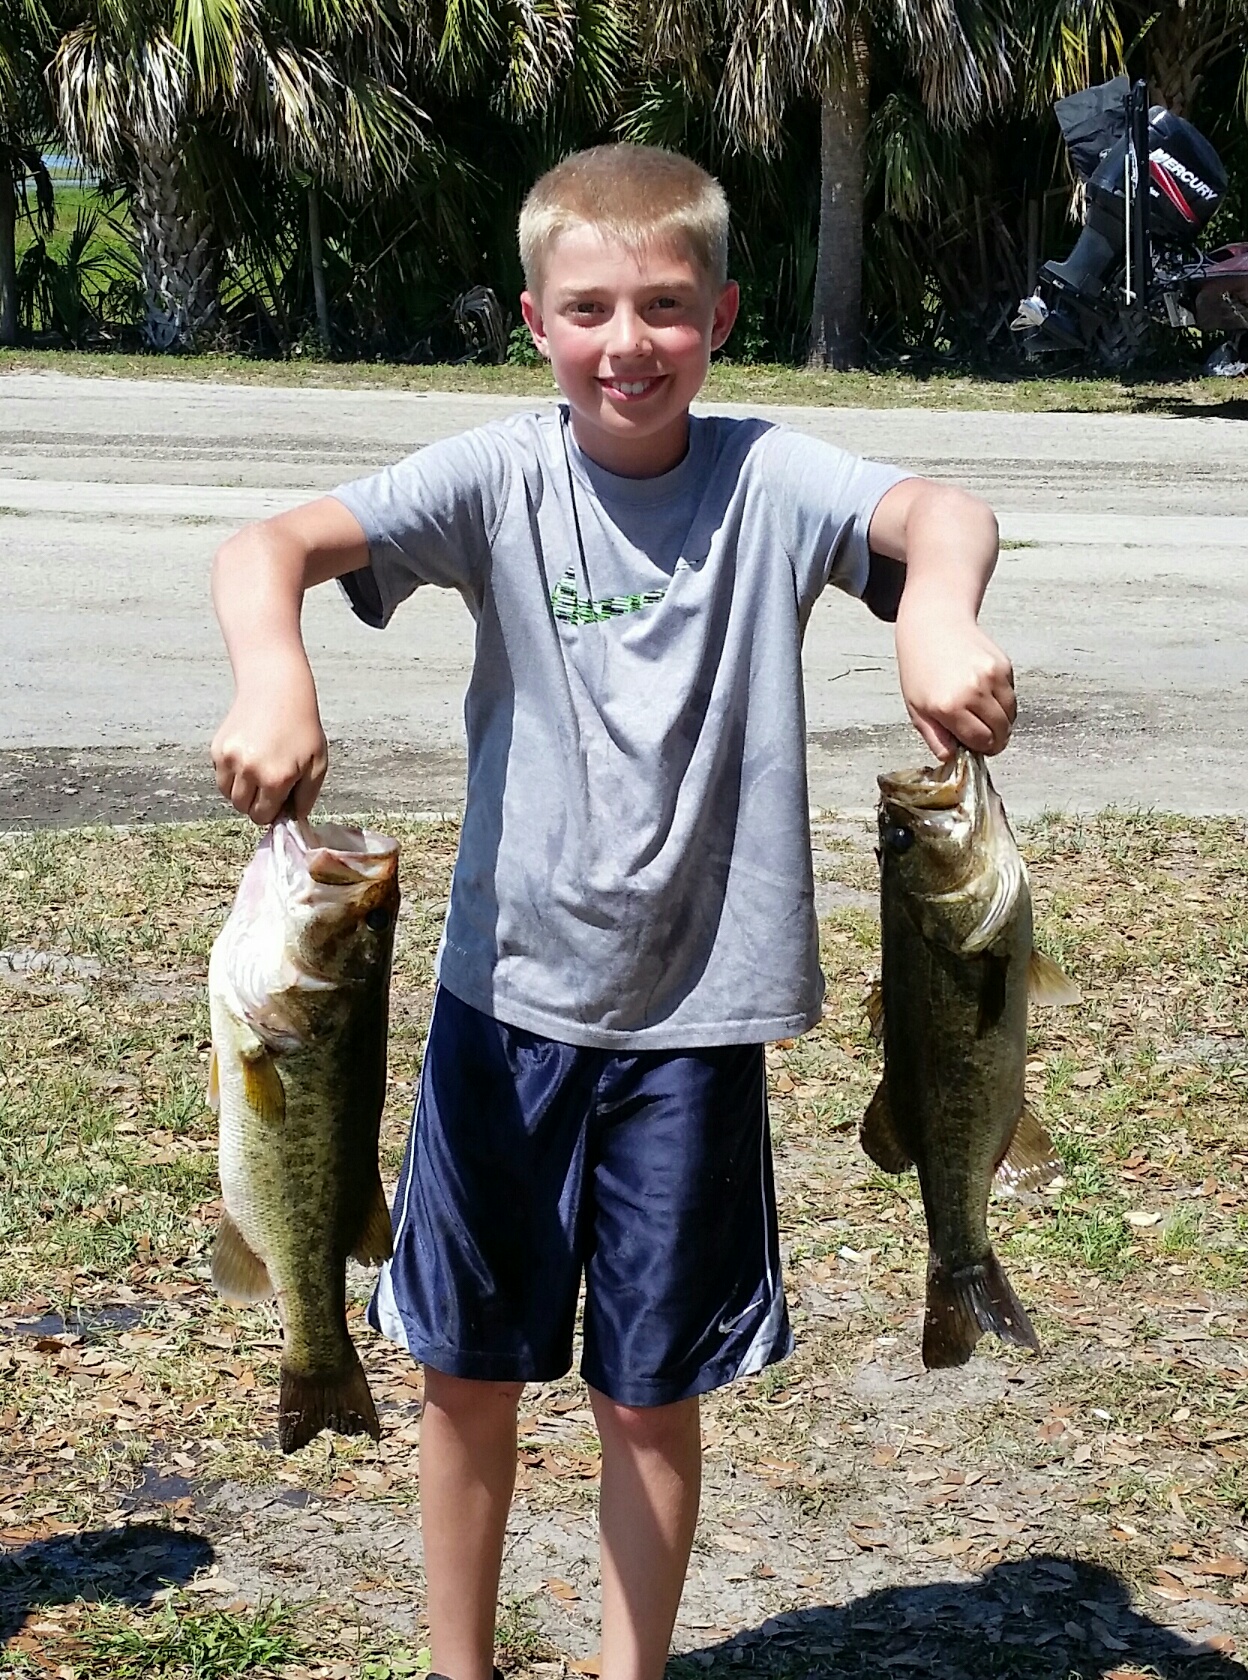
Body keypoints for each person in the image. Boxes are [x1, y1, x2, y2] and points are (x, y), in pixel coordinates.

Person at [211, 144, 1015, 1680]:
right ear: (535, 320)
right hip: (497, 1011)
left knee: (652, 1394)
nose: (626, 341)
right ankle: (462, 1667)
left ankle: (625, 1667)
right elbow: (269, 548)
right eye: (589, 309)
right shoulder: (497, 476)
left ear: (720, 311)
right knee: (465, 1373)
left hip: (696, 1030)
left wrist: (939, 612)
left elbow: (944, 511)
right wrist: (274, 666)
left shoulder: (772, 479)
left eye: (663, 305)